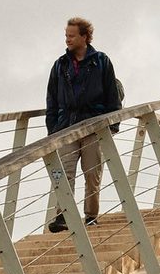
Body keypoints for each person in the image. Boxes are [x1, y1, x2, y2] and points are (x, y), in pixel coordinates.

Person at [45, 17, 121, 231]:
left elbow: (112, 96)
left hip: (93, 126)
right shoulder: (60, 65)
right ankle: (63, 215)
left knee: (92, 173)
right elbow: (51, 99)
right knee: (63, 173)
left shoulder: (101, 61)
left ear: (84, 37)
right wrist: (53, 129)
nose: (67, 39)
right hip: (67, 127)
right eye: (66, 35)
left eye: (71, 35)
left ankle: (90, 216)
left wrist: (112, 125)